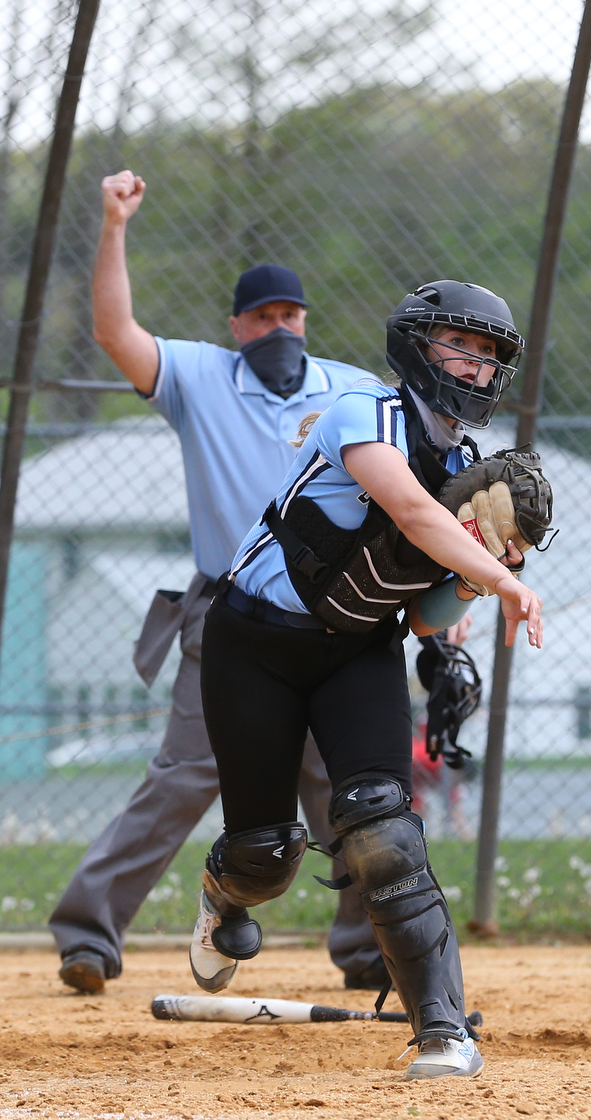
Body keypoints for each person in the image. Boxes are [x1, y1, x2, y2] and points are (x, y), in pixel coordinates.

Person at [190, 279, 543, 1080]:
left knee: (382, 829)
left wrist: (474, 598)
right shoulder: (362, 412)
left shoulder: (464, 466)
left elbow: (422, 611)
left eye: (491, 355)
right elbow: (415, 517)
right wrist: (508, 579)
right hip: (254, 641)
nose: (477, 365)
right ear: (417, 345)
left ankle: (442, 1030)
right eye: (462, 345)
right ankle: (224, 894)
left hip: (355, 649)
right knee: (264, 855)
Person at [48, 169, 382, 994]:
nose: (280, 328)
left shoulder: (351, 389)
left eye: (291, 315)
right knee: (186, 776)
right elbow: (113, 327)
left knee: (345, 788)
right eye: (264, 317)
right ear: (238, 326)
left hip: (333, 616)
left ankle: (372, 949)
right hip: (227, 614)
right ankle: (87, 934)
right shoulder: (199, 377)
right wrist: (115, 224)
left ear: (307, 322)